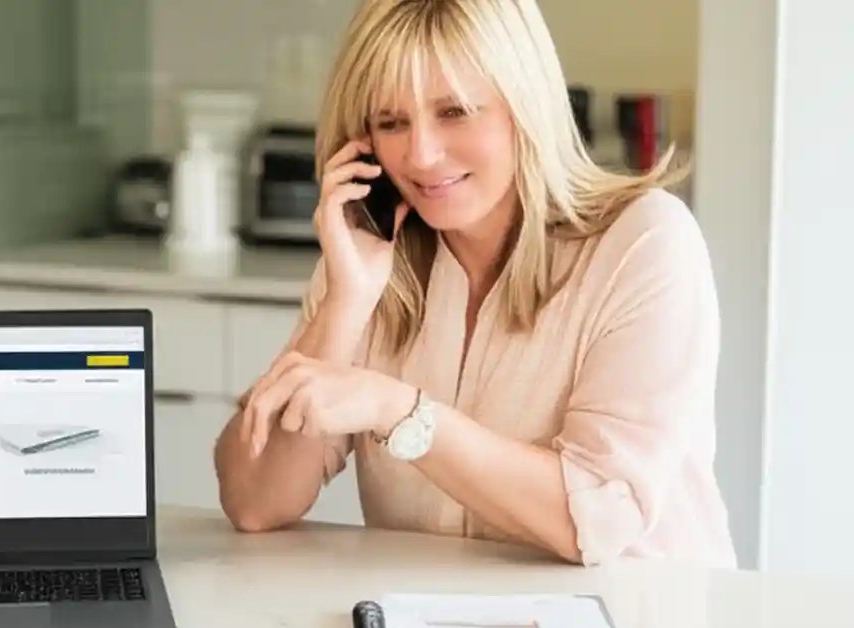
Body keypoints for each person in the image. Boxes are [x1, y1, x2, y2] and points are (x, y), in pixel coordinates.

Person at [212, 0, 737, 568]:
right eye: (391, 123)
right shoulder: (369, 263)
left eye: (455, 111)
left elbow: (598, 519)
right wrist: (344, 305)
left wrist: (401, 412)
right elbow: (255, 503)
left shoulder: (644, 241)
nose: (421, 155)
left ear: (523, 106)